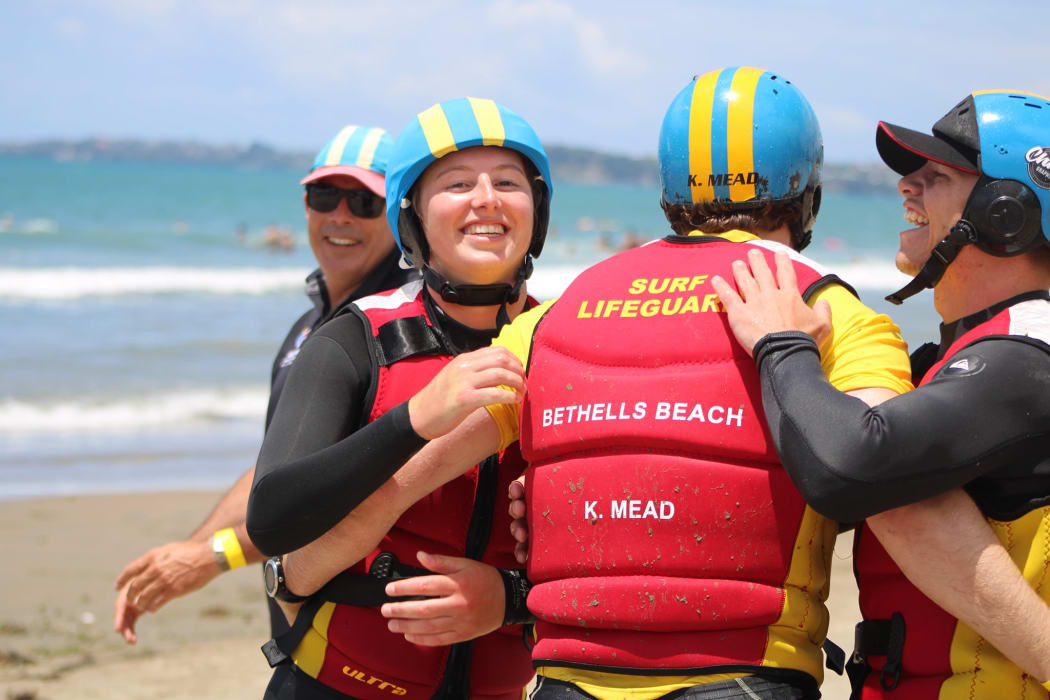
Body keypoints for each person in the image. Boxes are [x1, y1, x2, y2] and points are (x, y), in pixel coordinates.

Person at [289, 67, 913, 699]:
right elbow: (886, 479)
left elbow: (406, 482)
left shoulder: (560, 315)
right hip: (743, 674)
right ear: (808, 188)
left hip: (568, 680)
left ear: (669, 186)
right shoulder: (837, 316)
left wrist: (298, 574)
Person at [710, 90, 1050, 697]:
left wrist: (783, 347)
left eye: (935, 176)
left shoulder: (1029, 353)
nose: (906, 188)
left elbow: (855, 464)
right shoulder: (958, 360)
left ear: (1007, 215)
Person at [245, 98, 551, 700]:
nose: (486, 199)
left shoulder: (569, 345)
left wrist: (507, 599)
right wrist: (414, 419)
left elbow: (614, 545)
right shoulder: (352, 340)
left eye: (508, 183)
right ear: (411, 215)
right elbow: (271, 518)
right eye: (458, 183)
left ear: (536, 210)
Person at [112, 124, 415, 645]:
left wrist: (213, 556)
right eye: (324, 196)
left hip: (374, 640)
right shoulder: (312, 326)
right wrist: (187, 553)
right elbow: (279, 465)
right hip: (310, 639)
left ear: (397, 216)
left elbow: (339, 488)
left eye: (364, 201)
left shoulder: (401, 330)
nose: (339, 216)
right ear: (304, 206)